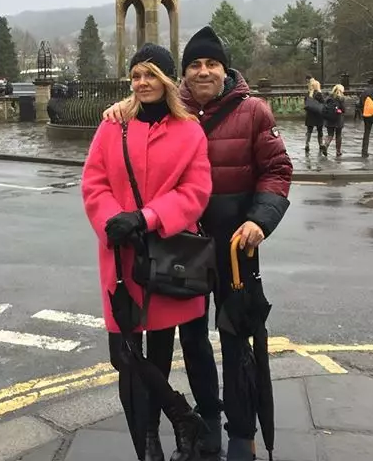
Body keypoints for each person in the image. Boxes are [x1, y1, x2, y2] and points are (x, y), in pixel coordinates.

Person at [103, 27, 292, 461]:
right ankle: (205, 426)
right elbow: (140, 116)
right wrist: (122, 106)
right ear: (183, 74)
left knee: (236, 337)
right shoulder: (172, 110)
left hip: (233, 245)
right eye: (194, 65)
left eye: (211, 64)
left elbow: (277, 169)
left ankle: (241, 433)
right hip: (179, 245)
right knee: (190, 339)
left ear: (225, 69)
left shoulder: (253, 112)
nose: (202, 71)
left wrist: (260, 221)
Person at [83, 43, 213, 461]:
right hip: (120, 259)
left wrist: (147, 217)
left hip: (164, 259)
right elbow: (94, 182)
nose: (142, 82)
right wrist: (111, 219)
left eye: (151, 74)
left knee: (155, 354)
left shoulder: (190, 130)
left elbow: (195, 192)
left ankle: (155, 442)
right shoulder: (112, 126)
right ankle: (169, 425)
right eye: (136, 74)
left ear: (168, 80)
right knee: (124, 355)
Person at [323, 84, 346, 157]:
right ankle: (338, 151)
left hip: (329, 119)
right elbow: (343, 109)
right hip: (338, 119)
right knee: (338, 135)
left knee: (330, 134)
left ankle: (325, 145)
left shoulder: (328, 98)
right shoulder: (341, 98)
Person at [304, 78, 325, 155]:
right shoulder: (319, 94)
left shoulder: (308, 94)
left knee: (309, 130)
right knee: (320, 130)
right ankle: (321, 144)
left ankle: (307, 144)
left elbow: (305, 104)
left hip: (310, 115)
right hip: (319, 115)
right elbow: (323, 103)